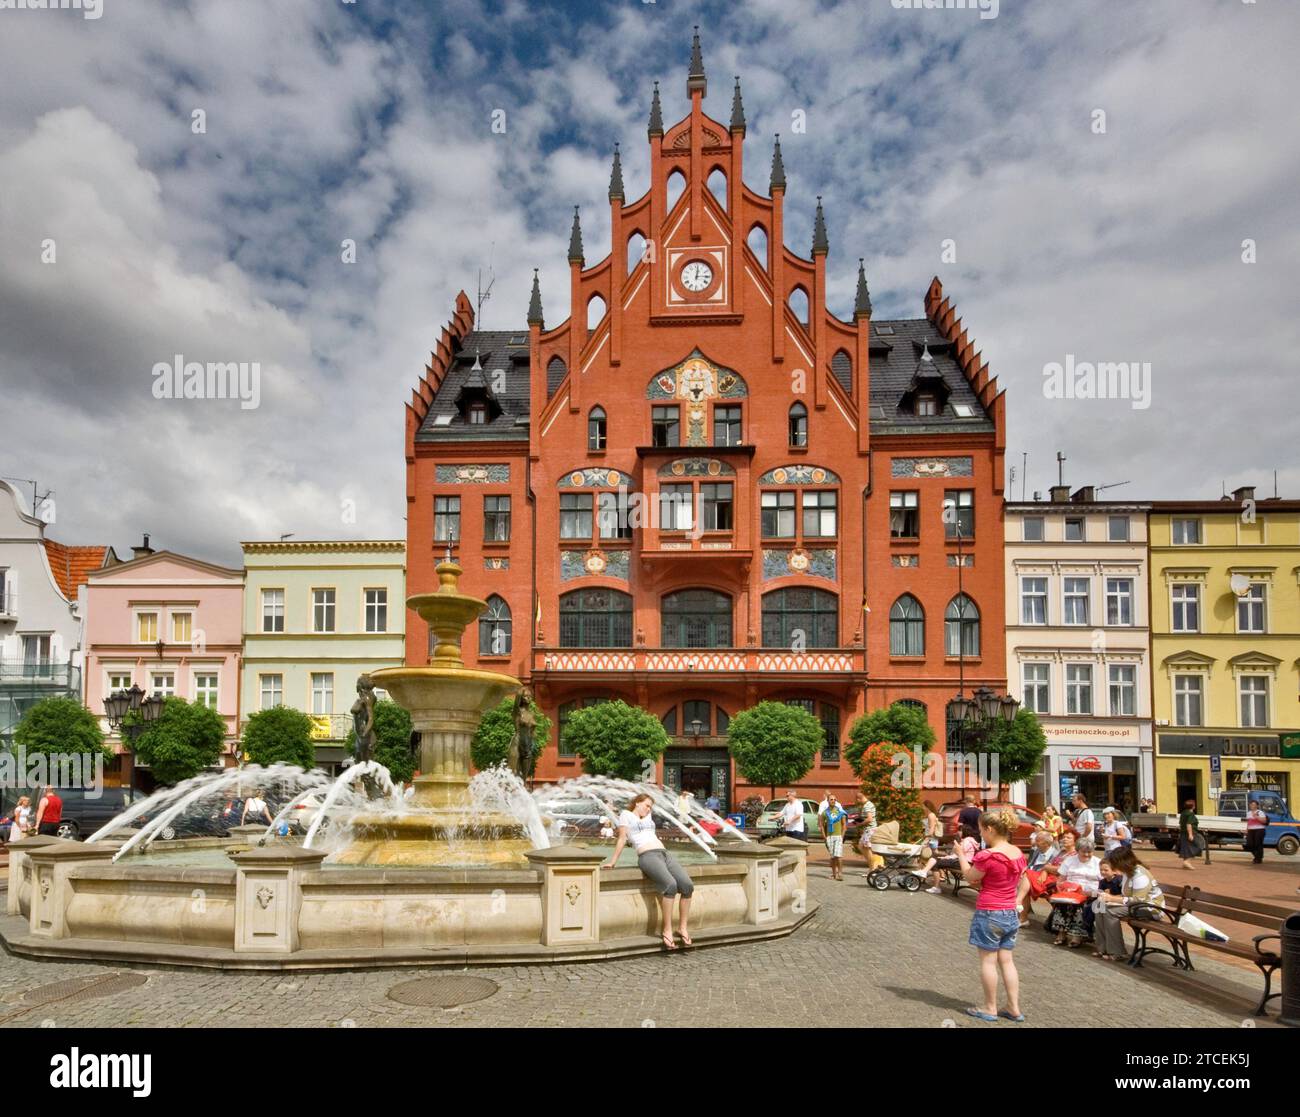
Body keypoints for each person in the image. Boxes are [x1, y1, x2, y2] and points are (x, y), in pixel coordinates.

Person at [955, 808, 1029, 1023]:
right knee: (1007, 961)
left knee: (988, 962)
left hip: (990, 911)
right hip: (1010, 913)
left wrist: (961, 855)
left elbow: (970, 877)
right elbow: (1025, 881)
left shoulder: (987, 855)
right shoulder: (1017, 853)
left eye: (981, 830)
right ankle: (1013, 1007)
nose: (980, 834)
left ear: (989, 829)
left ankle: (990, 1007)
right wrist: (1017, 900)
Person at [604, 792, 693, 949]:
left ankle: (682, 928)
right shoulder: (626, 815)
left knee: (687, 885)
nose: (648, 809)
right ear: (637, 802)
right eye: (646, 805)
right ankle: (667, 930)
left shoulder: (648, 816)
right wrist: (613, 862)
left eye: (650, 807)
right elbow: (622, 838)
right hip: (647, 856)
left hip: (664, 854)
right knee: (670, 885)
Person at [1093, 846, 1164, 961]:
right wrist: (1107, 898)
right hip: (1136, 906)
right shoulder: (1127, 873)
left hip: (1151, 909)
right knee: (1099, 907)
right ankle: (1102, 948)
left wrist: (1112, 898)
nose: (1115, 867)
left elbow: (1138, 900)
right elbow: (1126, 895)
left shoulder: (1140, 875)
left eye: (1115, 863)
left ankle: (1117, 952)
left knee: (1109, 912)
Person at [1049, 837, 1101, 947]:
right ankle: (1062, 932)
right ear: (1077, 850)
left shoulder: (1098, 862)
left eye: (1089, 852)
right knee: (1063, 904)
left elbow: (1103, 883)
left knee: (1080, 907)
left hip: (1090, 893)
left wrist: (1091, 893)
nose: (1087, 854)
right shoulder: (1070, 860)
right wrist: (1061, 889)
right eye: (1084, 852)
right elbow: (1061, 879)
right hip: (1070, 892)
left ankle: (1077, 935)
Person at [926, 824, 979, 894]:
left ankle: (936, 887)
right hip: (962, 862)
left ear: (965, 831)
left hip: (962, 863)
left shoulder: (967, 841)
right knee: (936, 861)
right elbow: (957, 854)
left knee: (935, 863)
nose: (958, 832)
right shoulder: (968, 840)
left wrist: (954, 848)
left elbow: (959, 853)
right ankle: (930, 879)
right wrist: (946, 857)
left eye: (960, 830)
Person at [1022, 830, 1060, 926]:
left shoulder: (1055, 854)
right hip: (1031, 876)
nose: (1035, 842)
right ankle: (1022, 915)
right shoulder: (1037, 851)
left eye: (1038, 841)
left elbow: (1054, 871)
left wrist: (1029, 872)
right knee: (1021, 878)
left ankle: (1022, 916)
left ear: (1046, 843)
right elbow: (1030, 865)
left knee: (1022, 881)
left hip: (1043, 880)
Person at [822, 793, 848, 881]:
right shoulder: (825, 813)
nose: (833, 801)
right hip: (829, 836)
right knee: (833, 857)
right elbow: (821, 825)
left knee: (839, 855)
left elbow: (844, 825)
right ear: (828, 801)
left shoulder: (840, 812)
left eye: (834, 799)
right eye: (831, 799)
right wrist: (824, 837)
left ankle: (840, 873)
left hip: (838, 836)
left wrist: (842, 836)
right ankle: (834, 874)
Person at [1177, 799, 1200, 869]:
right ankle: (1186, 862)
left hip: (1183, 833)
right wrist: (1190, 834)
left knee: (1186, 848)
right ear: (1193, 806)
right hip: (1189, 833)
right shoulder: (1190, 814)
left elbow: (1181, 823)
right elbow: (1189, 824)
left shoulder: (1183, 813)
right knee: (1197, 847)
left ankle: (1186, 863)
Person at [1245, 800, 1268, 864]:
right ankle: (1258, 857)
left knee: (1258, 844)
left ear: (1257, 806)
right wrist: (1246, 829)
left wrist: (1256, 816)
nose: (1252, 806)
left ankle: (1258, 859)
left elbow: (1264, 821)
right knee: (1249, 844)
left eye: (1254, 804)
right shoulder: (1248, 813)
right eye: (1251, 804)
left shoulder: (1260, 812)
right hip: (1251, 830)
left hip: (1259, 829)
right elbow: (1248, 822)